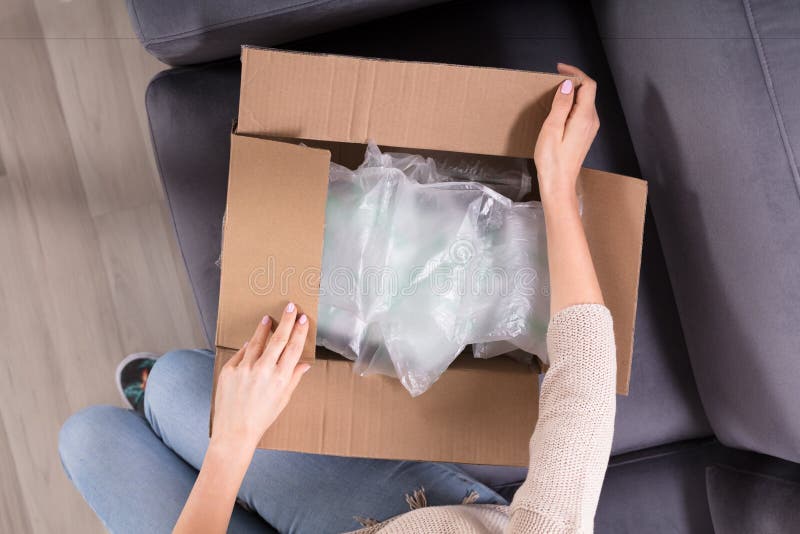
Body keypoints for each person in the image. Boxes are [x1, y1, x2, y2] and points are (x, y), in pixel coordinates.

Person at [59, 63, 614, 534]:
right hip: (397, 518)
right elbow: (582, 377)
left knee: (89, 439)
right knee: (177, 383)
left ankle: (168, 415)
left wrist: (233, 441)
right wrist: (558, 185)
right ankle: (163, 405)